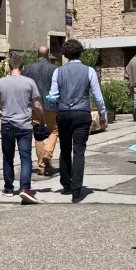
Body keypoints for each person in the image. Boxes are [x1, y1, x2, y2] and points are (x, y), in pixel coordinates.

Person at [48, 39, 106, 203]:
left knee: (65, 148)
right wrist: (102, 114)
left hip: (64, 112)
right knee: (79, 151)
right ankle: (77, 190)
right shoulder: (89, 71)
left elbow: (53, 95)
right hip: (81, 112)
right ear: (81, 52)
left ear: (65, 55)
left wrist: (56, 103)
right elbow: (97, 95)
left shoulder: (58, 72)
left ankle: (66, 184)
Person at [0, 55, 44, 204]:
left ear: (9, 67)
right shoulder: (29, 82)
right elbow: (36, 106)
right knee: (25, 158)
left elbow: (1, 102)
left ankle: (8, 188)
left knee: (7, 158)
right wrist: (42, 121)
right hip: (24, 125)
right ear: (22, 67)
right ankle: (25, 188)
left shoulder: (0, 83)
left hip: (7, 124)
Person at [23, 46, 59, 176]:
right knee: (54, 130)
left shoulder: (28, 68)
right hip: (50, 105)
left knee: (38, 134)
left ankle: (41, 166)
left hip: (34, 105)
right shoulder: (54, 69)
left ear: (36, 54)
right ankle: (48, 154)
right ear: (48, 55)